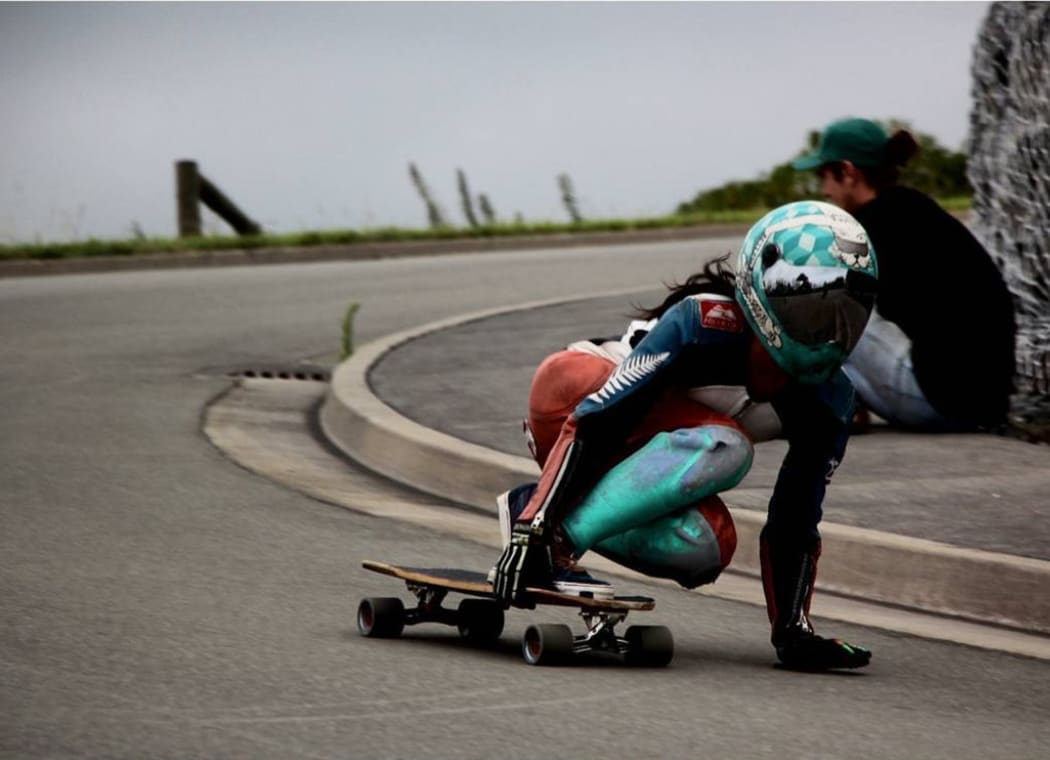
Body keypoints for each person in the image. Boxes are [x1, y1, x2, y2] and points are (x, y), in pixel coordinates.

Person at [489, 200, 880, 671]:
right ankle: (547, 537)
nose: (828, 337)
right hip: (572, 399)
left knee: (709, 548)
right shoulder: (703, 323)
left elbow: (796, 519)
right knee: (726, 446)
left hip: (632, 460)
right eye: (810, 311)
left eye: (845, 317)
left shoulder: (830, 401)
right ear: (760, 292)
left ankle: (530, 510)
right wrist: (538, 527)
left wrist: (793, 630)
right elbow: (602, 417)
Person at [792, 117, 1016, 431]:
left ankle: (830, 406)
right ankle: (843, 401)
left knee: (813, 306)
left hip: (937, 401)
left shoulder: (869, 227)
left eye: (824, 175)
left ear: (848, 172)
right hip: (982, 405)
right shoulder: (914, 209)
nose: (823, 189)